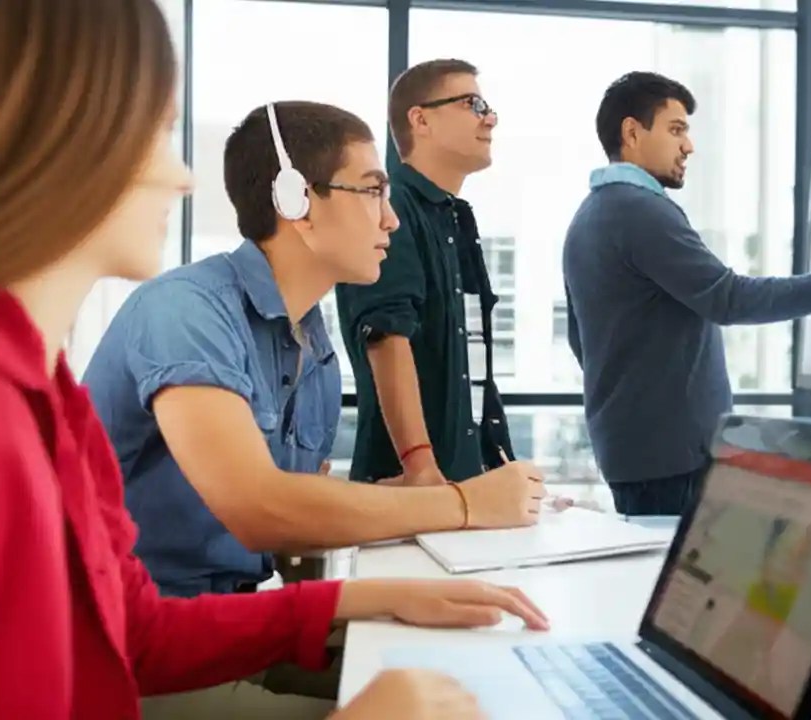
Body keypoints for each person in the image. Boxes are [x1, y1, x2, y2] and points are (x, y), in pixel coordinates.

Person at [0, 2, 547, 718]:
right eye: (154, 131)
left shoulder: (42, 384)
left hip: (178, 637)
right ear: (45, 131)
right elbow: (261, 509)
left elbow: (135, 630)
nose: (181, 178)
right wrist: (461, 506)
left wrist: (367, 596)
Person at [83, 101, 545, 601]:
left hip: (229, 613)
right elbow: (260, 509)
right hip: (126, 627)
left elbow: (295, 523)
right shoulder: (187, 312)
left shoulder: (314, 352)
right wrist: (464, 504)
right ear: (295, 200)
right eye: (372, 191)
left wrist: (412, 500)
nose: (391, 220)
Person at [563, 72, 811, 517]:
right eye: (676, 130)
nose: (688, 146)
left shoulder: (588, 218)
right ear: (632, 133)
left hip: (636, 454)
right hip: (674, 460)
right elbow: (730, 298)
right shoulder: (639, 210)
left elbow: (583, 343)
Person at [336, 58, 519, 486]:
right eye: (473, 104)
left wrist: (502, 467)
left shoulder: (456, 218)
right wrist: (419, 466)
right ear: (420, 120)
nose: (490, 118)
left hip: (464, 484)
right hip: (411, 489)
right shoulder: (392, 209)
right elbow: (386, 338)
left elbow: (473, 367)